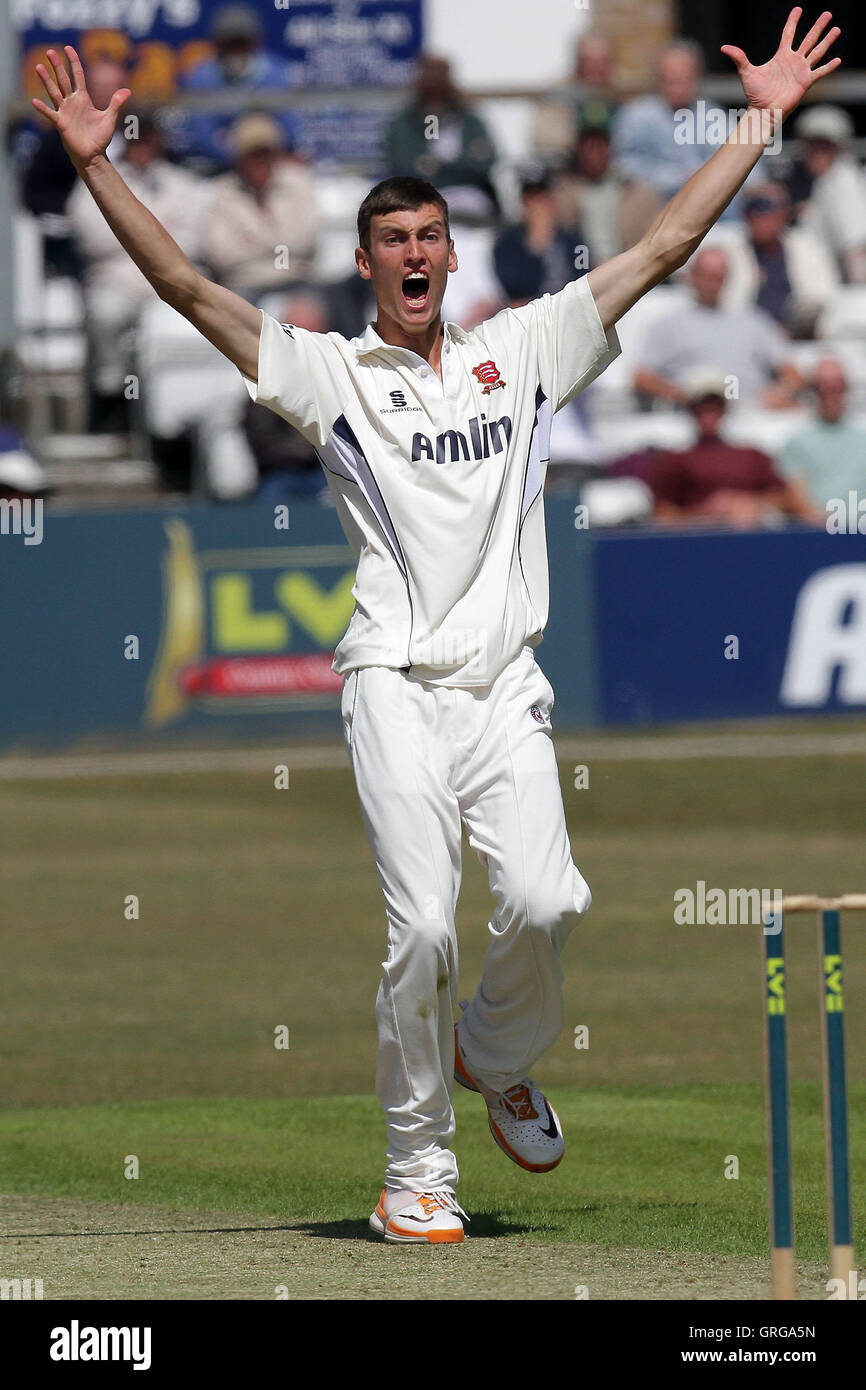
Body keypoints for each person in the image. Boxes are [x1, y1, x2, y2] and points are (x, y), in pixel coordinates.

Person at [33, 8, 841, 1242]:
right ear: (365, 266)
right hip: (390, 684)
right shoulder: (330, 375)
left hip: (503, 687)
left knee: (548, 899)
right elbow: (185, 284)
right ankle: (417, 1167)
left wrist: (758, 120)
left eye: (428, 236)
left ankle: (494, 1052)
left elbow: (670, 240)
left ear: (452, 255)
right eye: (390, 241)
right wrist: (97, 164)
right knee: (418, 923)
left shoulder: (525, 348)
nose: (413, 255)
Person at [67, 110, 207, 430]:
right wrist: (155, 235)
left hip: (171, 279)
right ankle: (112, 396)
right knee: (105, 312)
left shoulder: (181, 182)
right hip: (118, 278)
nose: (141, 148)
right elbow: (92, 236)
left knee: (188, 318)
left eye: (148, 140)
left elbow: (194, 239)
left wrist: (130, 234)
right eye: (135, 140)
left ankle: (178, 413)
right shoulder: (98, 179)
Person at [634, 246, 804, 408]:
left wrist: (781, 392)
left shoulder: (753, 321)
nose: (712, 283)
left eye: (718, 276)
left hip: (751, 412)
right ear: (692, 276)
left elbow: (791, 370)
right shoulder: (668, 325)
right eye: (706, 275)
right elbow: (641, 378)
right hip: (693, 415)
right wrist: (677, 394)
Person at [647, 368, 811, 527]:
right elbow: (663, 516)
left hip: (752, 538)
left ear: (724, 408)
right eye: (702, 405)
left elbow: (787, 499)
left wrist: (752, 503)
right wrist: (705, 514)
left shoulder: (752, 455)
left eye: (715, 405)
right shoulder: (674, 461)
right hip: (697, 544)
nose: (708, 411)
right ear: (692, 409)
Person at [200, 112, 318, 298]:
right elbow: (222, 256)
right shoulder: (222, 193)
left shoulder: (298, 184)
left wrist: (250, 240)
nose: (260, 160)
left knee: (308, 313)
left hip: (296, 280)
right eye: (253, 154)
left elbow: (305, 242)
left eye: (265, 153)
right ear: (239, 158)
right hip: (244, 285)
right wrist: (277, 241)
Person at [173, 3, 300, 172]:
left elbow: (289, 129)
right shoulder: (201, 77)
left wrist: (259, 154)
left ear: (256, 43)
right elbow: (200, 133)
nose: (236, 50)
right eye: (230, 43)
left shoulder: (277, 74)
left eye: (242, 43)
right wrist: (236, 155)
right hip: (217, 167)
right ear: (218, 45)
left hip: (267, 164)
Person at [383, 55, 498, 220]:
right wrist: (456, 166)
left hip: (468, 196)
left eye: (440, 89)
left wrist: (438, 166)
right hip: (419, 197)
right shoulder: (403, 123)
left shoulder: (469, 120)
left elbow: (486, 163)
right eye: (430, 90)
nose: (436, 97)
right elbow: (404, 165)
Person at [719, 181, 838, 334]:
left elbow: (821, 298)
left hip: (801, 337)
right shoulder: (731, 253)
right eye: (752, 208)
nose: (759, 216)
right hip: (746, 339)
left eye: (768, 207)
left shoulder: (807, 248)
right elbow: (726, 307)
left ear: (784, 213)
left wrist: (791, 328)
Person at [780, 358, 866, 513]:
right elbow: (795, 494)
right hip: (819, 532)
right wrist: (823, 526)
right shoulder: (796, 442)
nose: (831, 390)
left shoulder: (863, 439)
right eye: (823, 385)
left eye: (837, 385)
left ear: (846, 388)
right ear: (814, 390)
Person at [492, 166, 586, 305]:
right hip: (530, 315)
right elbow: (513, 290)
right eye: (531, 199)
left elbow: (585, 276)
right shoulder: (506, 246)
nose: (538, 206)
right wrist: (537, 246)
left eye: (542, 198)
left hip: (570, 309)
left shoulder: (575, 242)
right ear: (523, 205)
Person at [796, 105, 866, 283]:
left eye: (825, 146)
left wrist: (859, 300)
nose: (817, 154)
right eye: (812, 146)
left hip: (846, 295)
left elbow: (856, 250)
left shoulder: (843, 183)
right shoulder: (824, 184)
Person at [532, 32, 618, 165]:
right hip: (567, 167)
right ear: (577, 62)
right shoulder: (557, 94)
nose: (596, 67)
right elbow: (545, 140)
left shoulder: (623, 93)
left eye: (602, 61)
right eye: (589, 61)